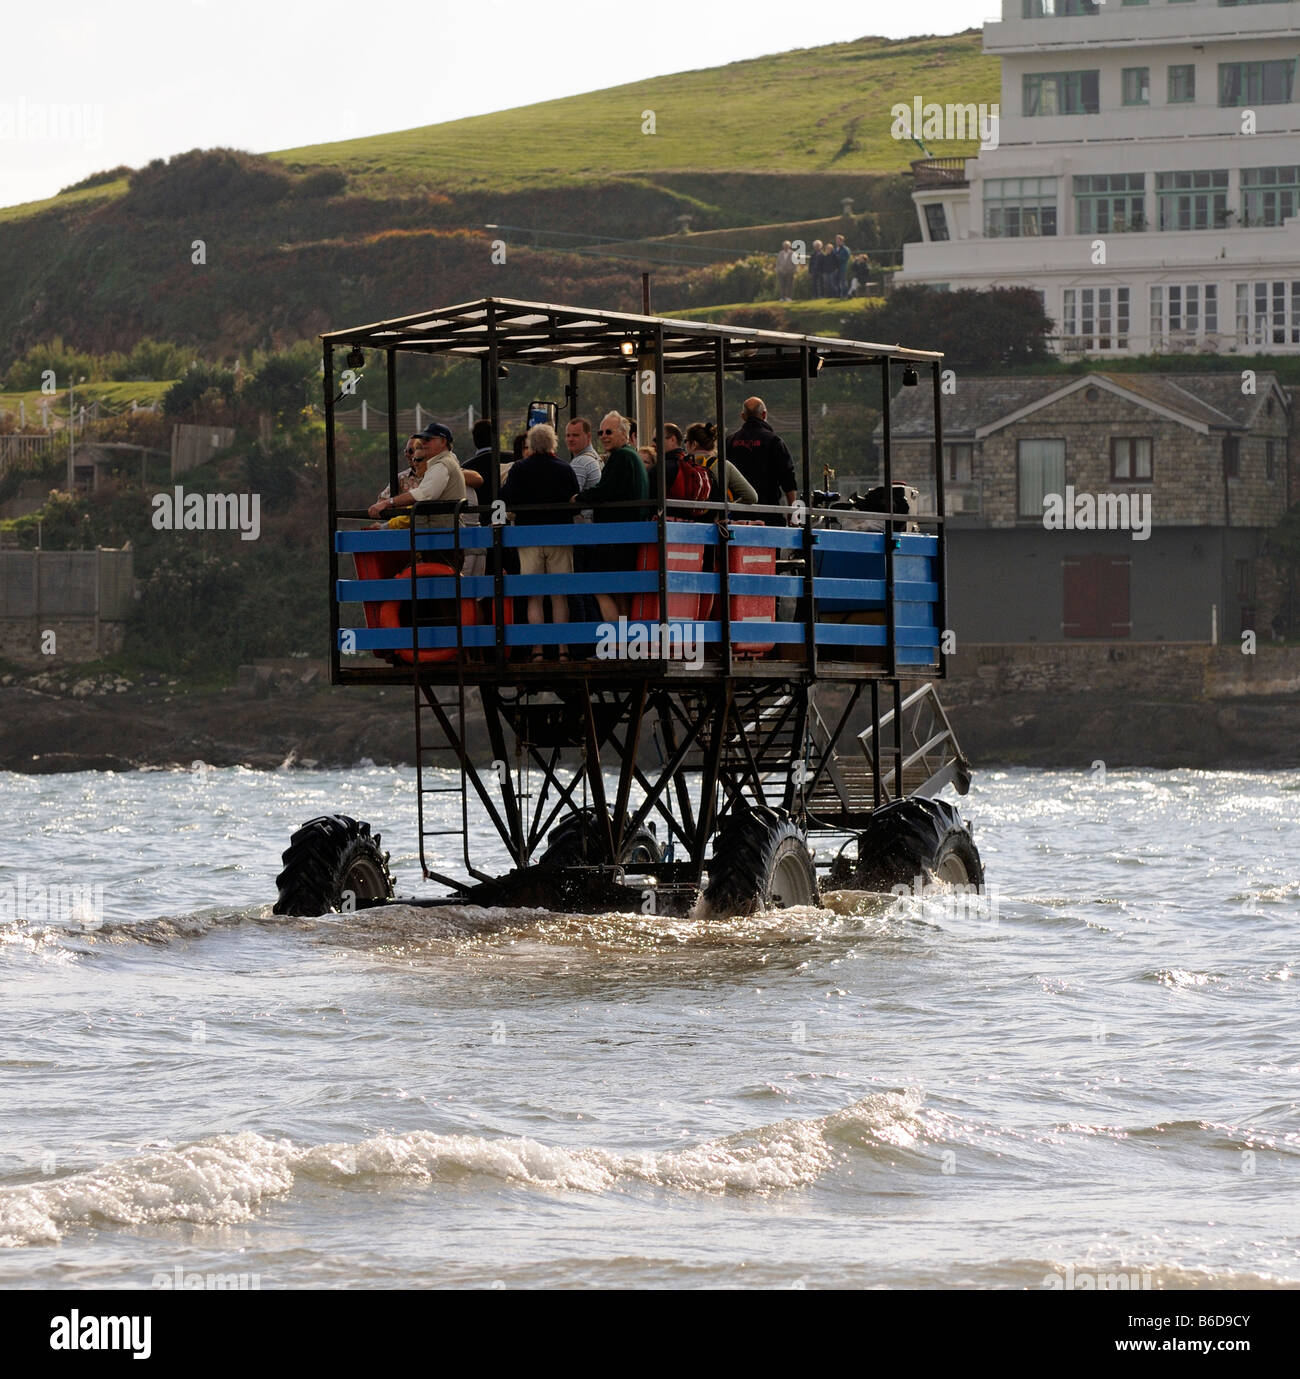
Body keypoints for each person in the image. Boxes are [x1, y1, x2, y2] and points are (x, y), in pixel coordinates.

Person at [500, 422, 579, 661]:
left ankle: (537, 650)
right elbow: (574, 499)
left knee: (534, 596)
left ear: (531, 445)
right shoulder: (564, 468)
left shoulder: (520, 469)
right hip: (559, 536)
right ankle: (563, 648)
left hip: (528, 536)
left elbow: (506, 498)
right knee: (559, 595)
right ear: (553, 443)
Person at [579, 411, 650, 622]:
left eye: (609, 431)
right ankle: (624, 640)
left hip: (616, 538)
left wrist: (579, 497)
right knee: (620, 592)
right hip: (627, 536)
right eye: (600, 432)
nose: (603, 436)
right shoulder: (631, 455)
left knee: (599, 586)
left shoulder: (621, 456)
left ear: (623, 433)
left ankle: (616, 641)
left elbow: (605, 489)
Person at [725, 397, 797, 526]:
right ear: (764, 414)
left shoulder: (730, 441)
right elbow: (788, 478)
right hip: (768, 512)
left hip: (737, 514)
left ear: (743, 416)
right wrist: (793, 511)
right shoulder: (774, 441)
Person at [685, 421, 756, 506]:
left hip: (684, 518)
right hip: (715, 517)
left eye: (686, 441)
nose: (685, 445)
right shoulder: (724, 465)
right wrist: (728, 508)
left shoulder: (683, 464)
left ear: (694, 444)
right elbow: (751, 497)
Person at [833, 234, 852, 299]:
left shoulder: (845, 249)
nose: (837, 242)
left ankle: (845, 294)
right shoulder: (835, 249)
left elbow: (847, 257)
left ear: (842, 241)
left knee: (843, 281)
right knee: (836, 281)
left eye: (838, 240)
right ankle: (838, 294)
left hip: (842, 266)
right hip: (836, 267)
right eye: (836, 240)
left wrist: (839, 257)